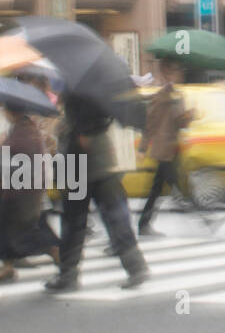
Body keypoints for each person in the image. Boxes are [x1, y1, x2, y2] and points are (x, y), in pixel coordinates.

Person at [46, 94, 149, 293]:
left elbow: (78, 121)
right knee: (115, 216)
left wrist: (72, 129)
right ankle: (136, 266)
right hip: (102, 159)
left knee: (74, 222)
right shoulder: (100, 91)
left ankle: (68, 275)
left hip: (79, 162)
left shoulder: (78, 90)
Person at [0, 102, 59, 284]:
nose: (4, 112)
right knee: (7, 229)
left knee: (30, 229)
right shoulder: (21, 128)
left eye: (6, 110)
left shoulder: (24, 132)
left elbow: (19, 160)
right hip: (18, 189)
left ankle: (59, 256)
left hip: (24, 191)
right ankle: (7, 268)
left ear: (13, 112)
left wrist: (2, 149)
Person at [137, 58, 193, 237]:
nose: (179, 75)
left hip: (173, 149)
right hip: (163, 151)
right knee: (176, 188)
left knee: (157, 189)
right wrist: (143, 148)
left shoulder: (177, 95)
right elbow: (150, 123)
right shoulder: (160, 96)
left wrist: (189, 116)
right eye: (175, 71)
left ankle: (143, 223)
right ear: (167, 74)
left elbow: (181, 123)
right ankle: (205, 218)